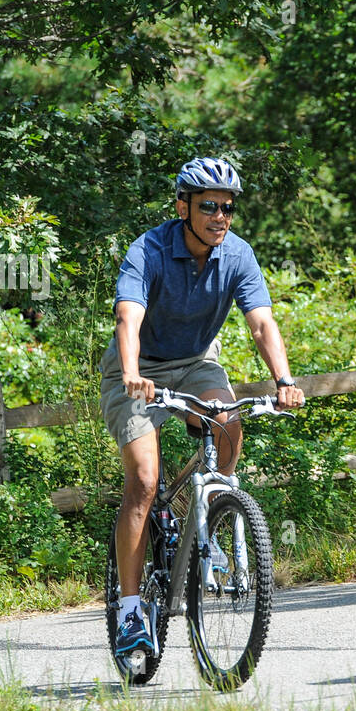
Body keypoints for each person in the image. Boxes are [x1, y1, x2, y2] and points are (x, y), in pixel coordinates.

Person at [99, 157, 304, 660]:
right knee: (144, 480)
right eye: (209, 206)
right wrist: (131, 372)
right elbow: (130, 317)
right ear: (183, 206)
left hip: (196, 364)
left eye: (228, 208)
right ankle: (129, 610)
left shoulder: (238, 255)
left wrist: (284, 380)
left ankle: (199, 526)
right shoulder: (148, 249)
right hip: (138, 368)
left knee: (229, 427)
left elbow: (261, 323)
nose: (220, 216)